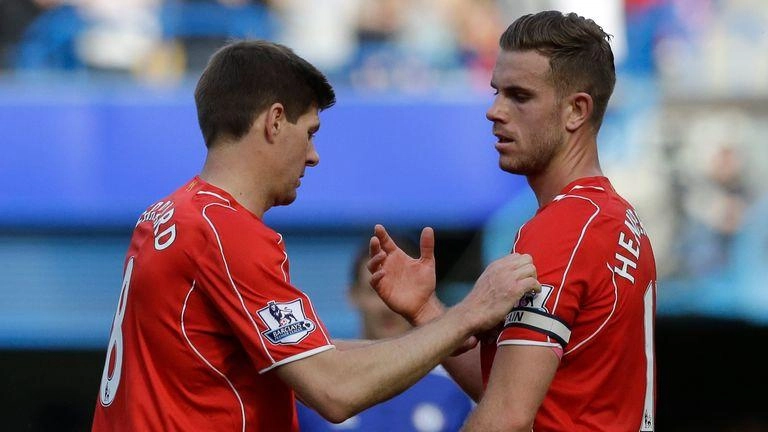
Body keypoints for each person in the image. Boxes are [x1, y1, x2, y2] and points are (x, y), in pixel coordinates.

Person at [90, 40, 541, 431]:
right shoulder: (226, 231)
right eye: (309, 133)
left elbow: (293, 358)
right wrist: (470, 313)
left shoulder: (168, 213)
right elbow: (332, 389)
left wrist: (432, 321)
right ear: (274, 121)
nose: (313, 156)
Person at [368, 10, 657, 431]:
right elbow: (515, 391)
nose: (494, 111)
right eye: (496, 91)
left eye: (519, 96)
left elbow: (506, 417)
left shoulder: (564, 229)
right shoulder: (614, 218)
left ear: (576, 111)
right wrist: (426, 310)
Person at [297, 235, 474, 431]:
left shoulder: (459, 382)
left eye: (401, 290)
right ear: (352, 294)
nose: (387, 306)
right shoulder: (314, 379)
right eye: (375, 290)